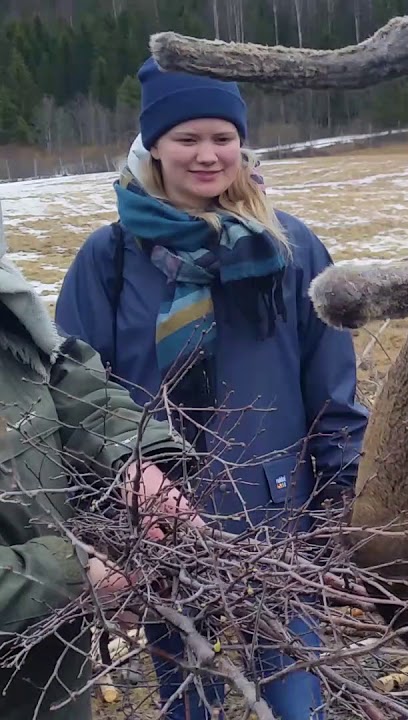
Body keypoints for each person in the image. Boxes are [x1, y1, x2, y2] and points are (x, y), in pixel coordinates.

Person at [54, 57, 368, 720]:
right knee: (189, 704)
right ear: (155, 147)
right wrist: (108, 525)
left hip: (277, 527)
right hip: (162, 532)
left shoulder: (290, 249)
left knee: (294, 702)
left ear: (242, 143)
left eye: (222, 137)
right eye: (186, 138)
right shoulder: (108, 261)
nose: (207, 155)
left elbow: (333, 392)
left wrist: (341, 512)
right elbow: (76, 396)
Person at [0, 201, 202, 720]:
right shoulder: (104, 256)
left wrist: (136, 462)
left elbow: (63, 383)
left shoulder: (7, 306)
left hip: (46, 675)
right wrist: (65, 575)